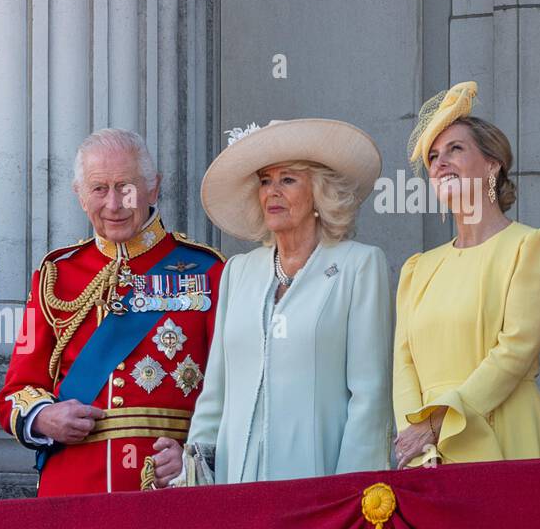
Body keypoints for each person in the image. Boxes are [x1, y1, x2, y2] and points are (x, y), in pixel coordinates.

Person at [154, 119, 393, 486]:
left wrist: (351, 493)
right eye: (265, 180)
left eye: (288, 180)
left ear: (319, 192)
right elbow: (216, 391)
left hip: (319, 483)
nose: (272, 192)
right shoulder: (238, 271)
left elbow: (369, 396)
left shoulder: (358, 265)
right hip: (237, 485)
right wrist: (197, 475)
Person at [0, 128, 225, 496]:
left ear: (154, 188)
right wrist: (44, 417)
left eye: (127, 187)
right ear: (80, 195)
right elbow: (15, 392)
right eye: (99, 189)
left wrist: (195, 457)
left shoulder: (207, 271)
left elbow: (232, 390)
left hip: (166, 485)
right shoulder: (57, 275)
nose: (114, 204)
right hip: (71, 486)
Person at [393, 81, 540, 467]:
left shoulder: (529, 246)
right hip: (428, 451)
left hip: (505, 434)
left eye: (455, 149)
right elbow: (404, 366)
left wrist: (440, 421)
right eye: (433, 156)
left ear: (491, 164)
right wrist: (415, 435)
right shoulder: (417, 269)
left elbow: (515, 350)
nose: (440, 162)